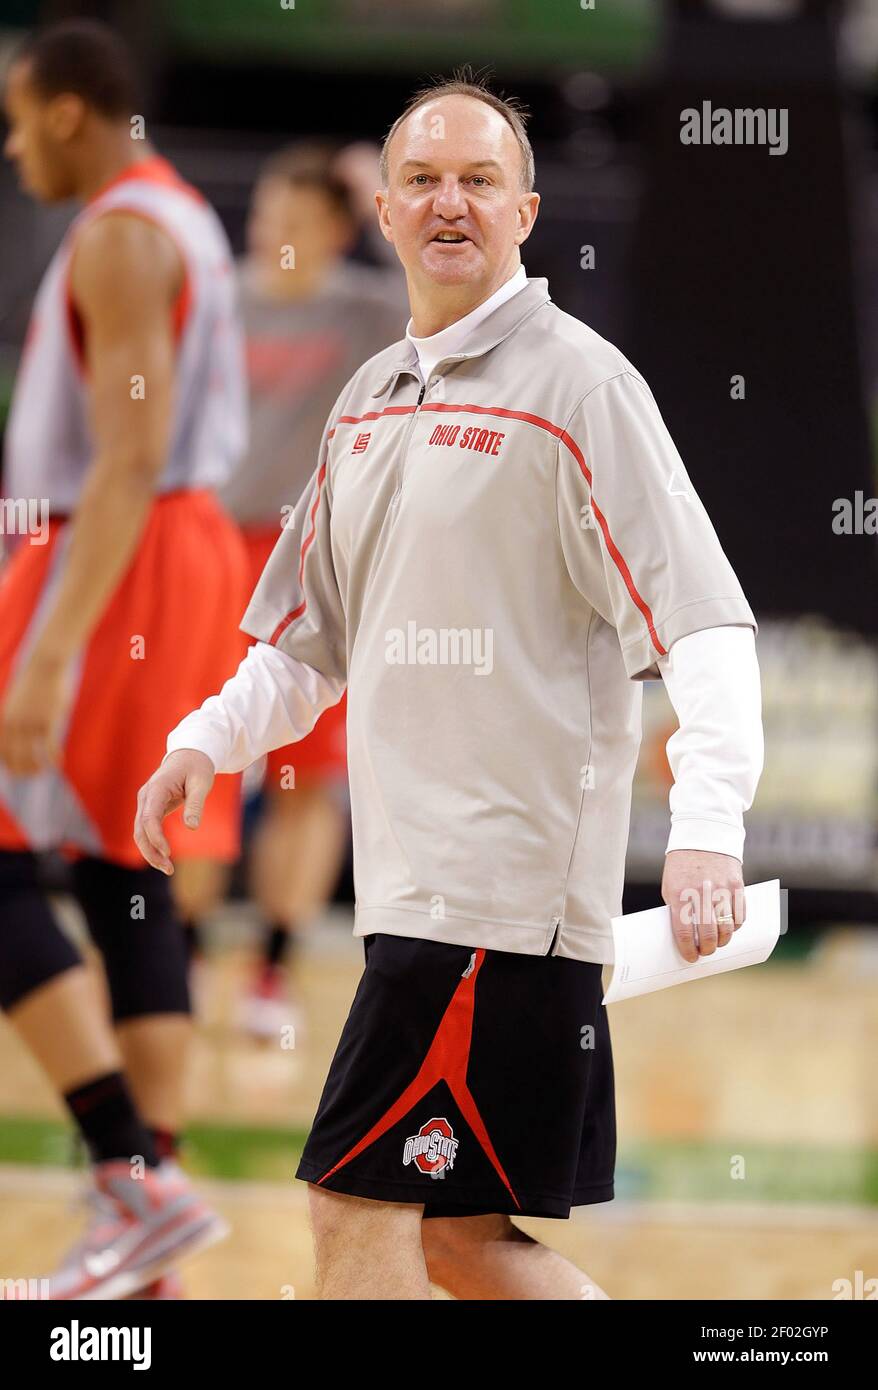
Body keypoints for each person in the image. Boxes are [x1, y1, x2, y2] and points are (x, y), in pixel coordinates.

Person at [136, 70, 764, 1301]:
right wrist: (202, 741)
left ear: (527, 211)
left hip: (495, 911)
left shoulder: (584, 387)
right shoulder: (366, 400)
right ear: (379, 209)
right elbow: (309, 640)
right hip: (416, 901)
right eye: (422, 178)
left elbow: (705, 621)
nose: (449, 202)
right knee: (460, 1242)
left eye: (480, 179)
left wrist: (706, 828)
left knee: (351, 1211)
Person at [0, 20, 248, 1298]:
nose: (8, 142)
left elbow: (129, 458)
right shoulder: (177, 216)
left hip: (121, 557)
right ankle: (145, 1239)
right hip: (173, 553)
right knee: (126, 879)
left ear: (62, 111)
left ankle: (129, 1180)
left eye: (14, 114)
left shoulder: (119, 235)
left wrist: (45, 655)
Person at [178, 143, 405, 1041]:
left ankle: (269, 966)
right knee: (206, 756)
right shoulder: (213, 298)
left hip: (312, 552)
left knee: (305, 778)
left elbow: (457, 303)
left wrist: (380, 199)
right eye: (268, 214)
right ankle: (188, 950)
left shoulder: (366, 308)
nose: (277, 233)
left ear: (339, 228)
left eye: (301, 219)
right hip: (212, 550)